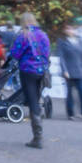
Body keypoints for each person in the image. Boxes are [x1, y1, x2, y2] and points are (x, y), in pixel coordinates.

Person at [7, 11, 51, 149]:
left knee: (32, 101)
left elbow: (15, 53)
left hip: (28, 71)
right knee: (36, 99)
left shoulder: (23, 36)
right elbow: (47, 53)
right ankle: (38, 126)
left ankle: (38, 138)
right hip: (41, 72)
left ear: (23, 22)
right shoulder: (43, 35)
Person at [58, 24, 82, 120]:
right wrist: (64, 70)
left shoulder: (80, 41)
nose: (70, 30)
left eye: (71, 29)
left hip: (80, 71)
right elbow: (61, 57)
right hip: (69, 72)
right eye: (67, 29)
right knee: (69, 94)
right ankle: (71, 114)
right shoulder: (62, 41)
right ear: (65, 31)